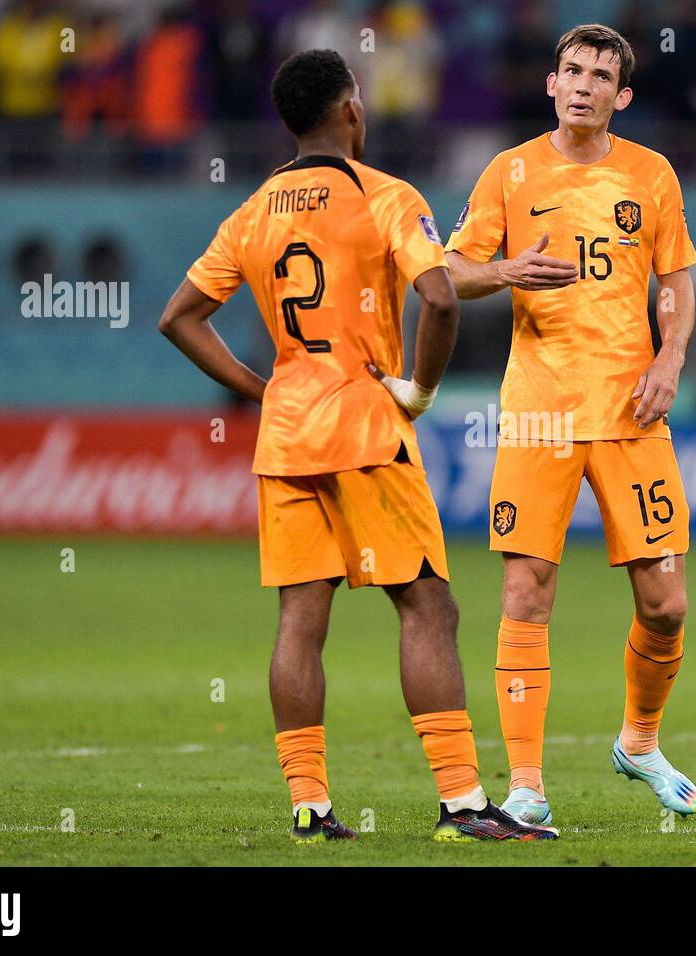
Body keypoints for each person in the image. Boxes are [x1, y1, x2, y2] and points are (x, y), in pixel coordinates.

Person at [159, 50, 555, 843]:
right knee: (427, 607)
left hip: (286, 435)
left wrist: (261, 388)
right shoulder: (384, 197)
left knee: (301, 621)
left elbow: (178, 318)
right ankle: (462, 804)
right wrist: (419, 389)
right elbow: (439, 294)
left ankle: (310, 807)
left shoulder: (254, 210)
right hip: (366, 428)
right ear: (349, 112)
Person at [444, 24, 696, 825]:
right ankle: (526, 790)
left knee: (666, 603)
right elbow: (449, 271)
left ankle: (639, 741)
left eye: (601, 75)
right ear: (552, 84)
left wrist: (669, 361)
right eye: (572, 71)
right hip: (538, 413)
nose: (584, 84)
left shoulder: (651, 174)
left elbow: (675, 280)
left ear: (621, 95)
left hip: (629, 411)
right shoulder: (509, 171)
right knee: (526, 591)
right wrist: (503, 269)